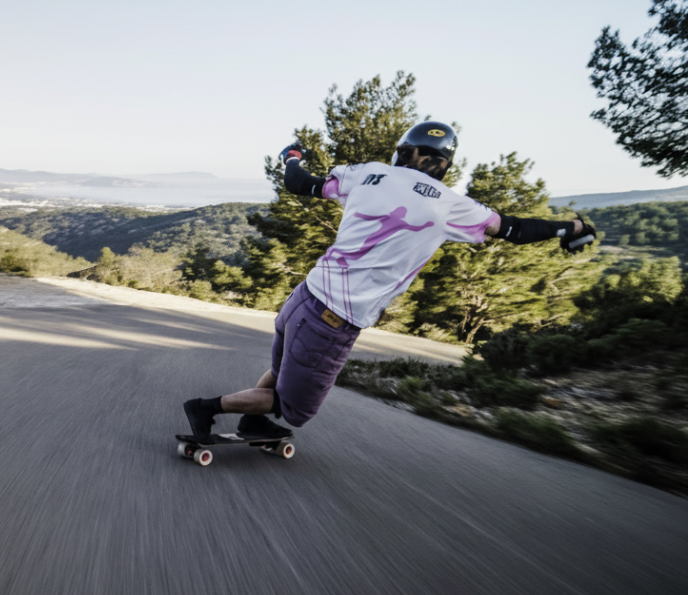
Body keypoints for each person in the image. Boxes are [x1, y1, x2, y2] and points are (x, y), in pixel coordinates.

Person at [183, 121, 597, 441]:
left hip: (304, 297)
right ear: (444, 163)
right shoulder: (452, 206)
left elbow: (298, 182)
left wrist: (292, 156)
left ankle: (254, 424)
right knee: (294, 409)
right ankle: (206, 409)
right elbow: (514, 229)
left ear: (405, 151)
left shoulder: (367, 174)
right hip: (334, 319)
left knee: (280, 369)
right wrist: (571, 228)